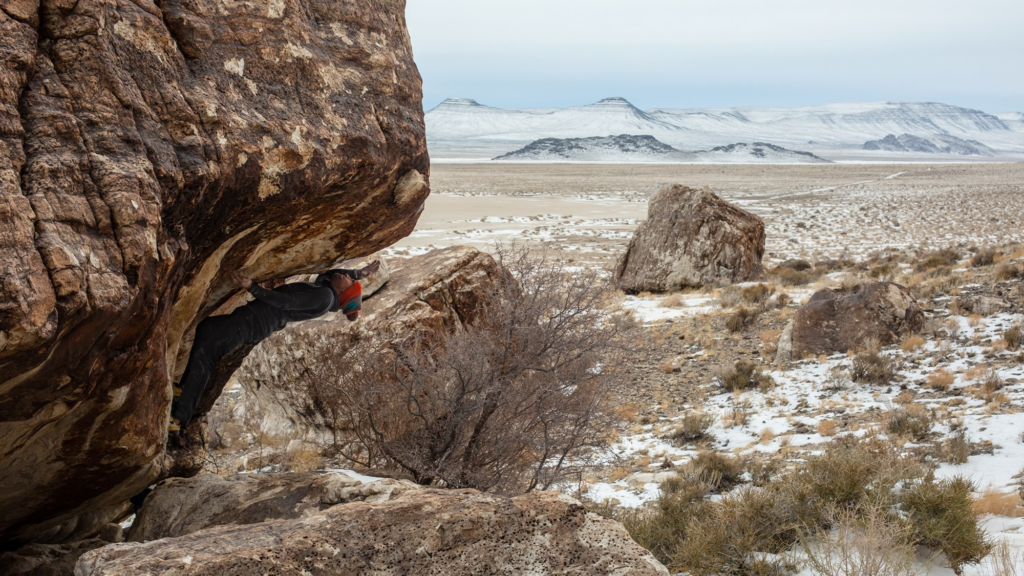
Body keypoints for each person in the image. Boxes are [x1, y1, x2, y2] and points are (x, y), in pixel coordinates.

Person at [169, 261, 381, 435]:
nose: (348, 276)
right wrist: (359, 273)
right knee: (206, 328)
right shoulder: (325, 291)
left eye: (350, 280)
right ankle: (185, 388)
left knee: (207, 355)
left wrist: (251, 287)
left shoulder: (324, 296)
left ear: (344, 292)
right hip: (256, 320)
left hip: (255, 321)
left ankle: (179, 418)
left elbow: (285, 301)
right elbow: (332, 274)